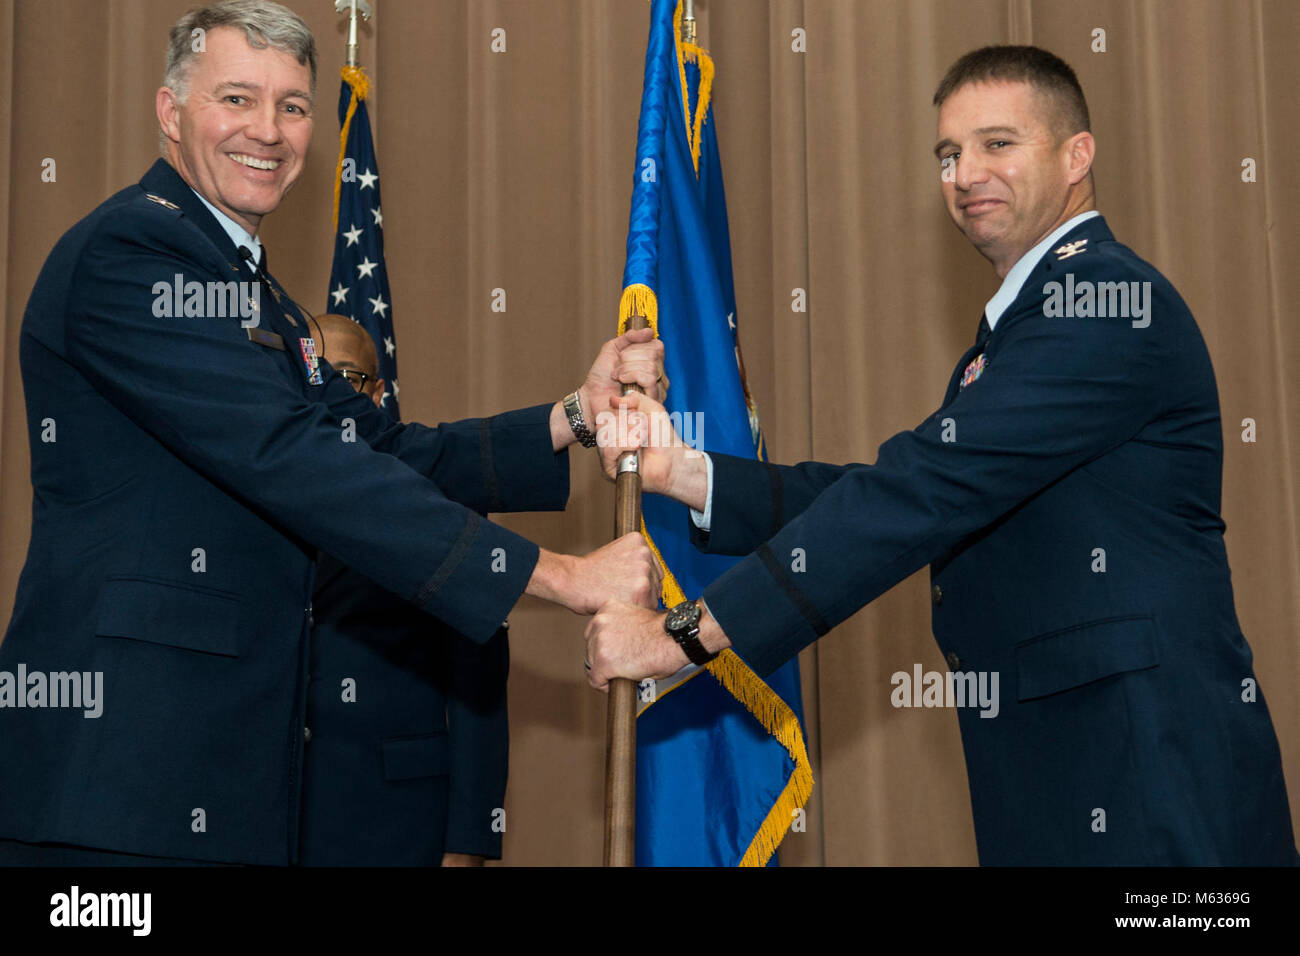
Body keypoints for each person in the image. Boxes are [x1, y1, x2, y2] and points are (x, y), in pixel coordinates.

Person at [584, 45, 1298, 865]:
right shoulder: (1025, 325)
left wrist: (682, 636)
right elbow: (908, 489)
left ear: (1078, 157)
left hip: (1147, 788)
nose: (964, 175)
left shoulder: (1105, 303)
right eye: (949, 154)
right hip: (1067, 782)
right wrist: (689, 474)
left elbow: (919, 493)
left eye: (998, 144)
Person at [0, 0, 663, 865]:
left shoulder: (259, 295)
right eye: (236, 99)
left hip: (219, 789)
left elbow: (379, 453)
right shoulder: (132, 255)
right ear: (171, 112)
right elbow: (295, 460)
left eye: (293, 106)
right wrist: (562, 576)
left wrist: (572, 416)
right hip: (117, 787)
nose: (267, 132)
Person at [298, 314, 509, 867]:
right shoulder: (252, 489)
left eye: (345, 375)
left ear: (378, 392)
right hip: (271, 819)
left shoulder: (439, 499)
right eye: (313, 373)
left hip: (399, 822)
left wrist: (468, 844)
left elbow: (478, 691)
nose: (328, 390)